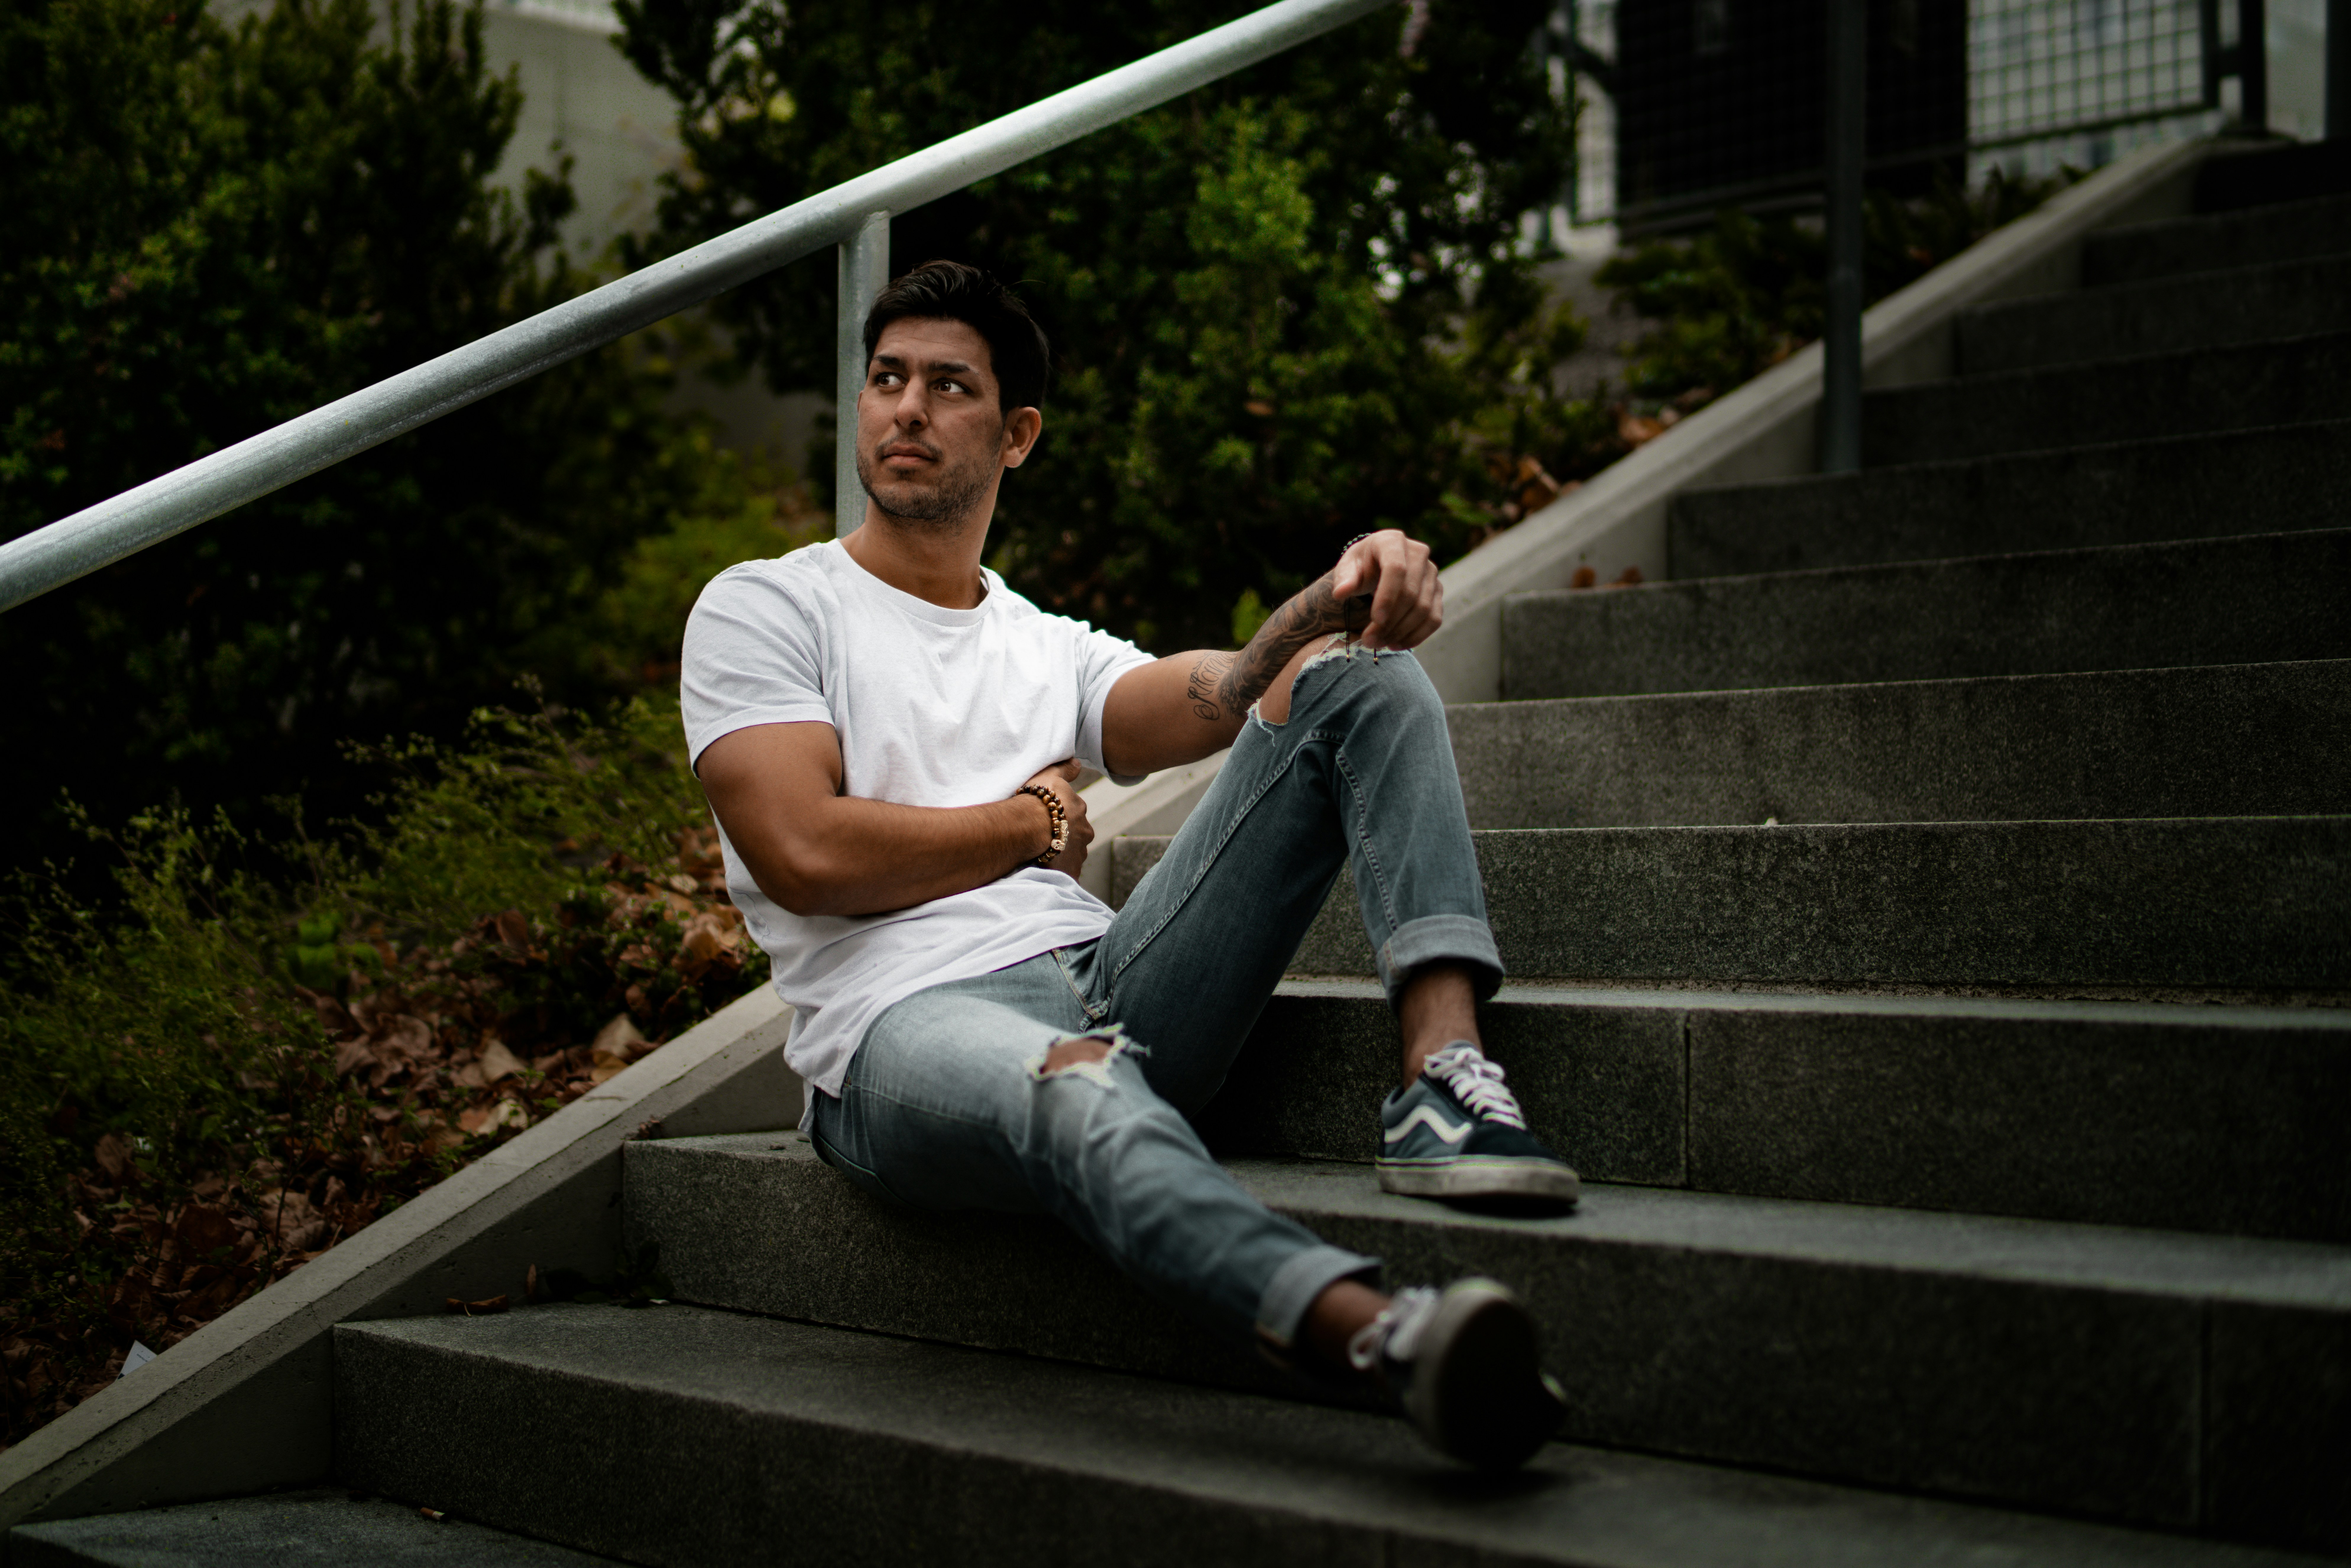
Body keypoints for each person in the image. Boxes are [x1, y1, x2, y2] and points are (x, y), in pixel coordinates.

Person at [683, 260, 1579, 1470]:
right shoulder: (767, 610)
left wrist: (1333, 599)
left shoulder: (1040, 642)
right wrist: (1029, 823)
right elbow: (805, 852)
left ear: (1017, 436)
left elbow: (1224, 693)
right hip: (900, 1030)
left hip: (1111, 978)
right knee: (1080, 1085)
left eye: (949, 386)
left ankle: (1443, 1078)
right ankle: (1382, 1338)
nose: (906, 409)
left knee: (1361, 681)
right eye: (887, 379)